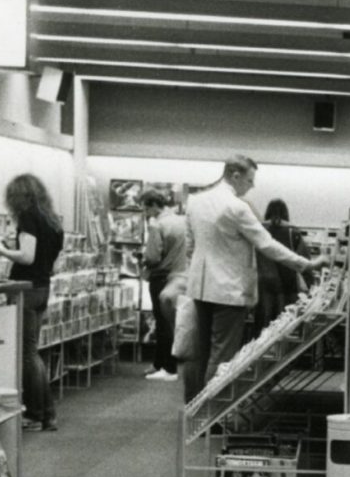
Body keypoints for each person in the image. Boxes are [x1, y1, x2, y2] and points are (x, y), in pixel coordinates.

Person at [181, 155, 325, 402]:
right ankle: (210, 413)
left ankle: (192, 408)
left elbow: (190, 247)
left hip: (199, 288)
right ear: (235, 175)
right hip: (229, 292)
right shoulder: (237, 207)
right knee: (222, 354)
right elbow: (267, 245)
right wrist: (306, 264)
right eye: (250, 180)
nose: (252, 186)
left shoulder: (194, 201)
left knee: (200, 352)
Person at [0, 173, 65, 431]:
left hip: (26, 290)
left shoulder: (28, 217)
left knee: (27, 354)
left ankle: (37, 415)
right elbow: (52, 262)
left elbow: (26, 256)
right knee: (32, 352)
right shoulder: (52, 221)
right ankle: (47, 414)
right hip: (43, 288)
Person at [138, 189, 189, 382]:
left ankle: (168, 367)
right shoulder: (182, 221)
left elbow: (152, 257)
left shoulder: (157, 225)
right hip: (180, 276)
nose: (145, 213)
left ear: (152, 206)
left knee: (162, 323)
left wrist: (143, 260)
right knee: (168, 321)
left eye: (145, 209)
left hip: (161, 277)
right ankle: (160, 364)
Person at [254, 198, 305, 334]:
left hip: (263, 281)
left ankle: (260, 352)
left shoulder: (259, 229)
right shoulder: (293, 231)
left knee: (263, 320)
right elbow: (303, 259)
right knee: (285, 322)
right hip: (287, 282)